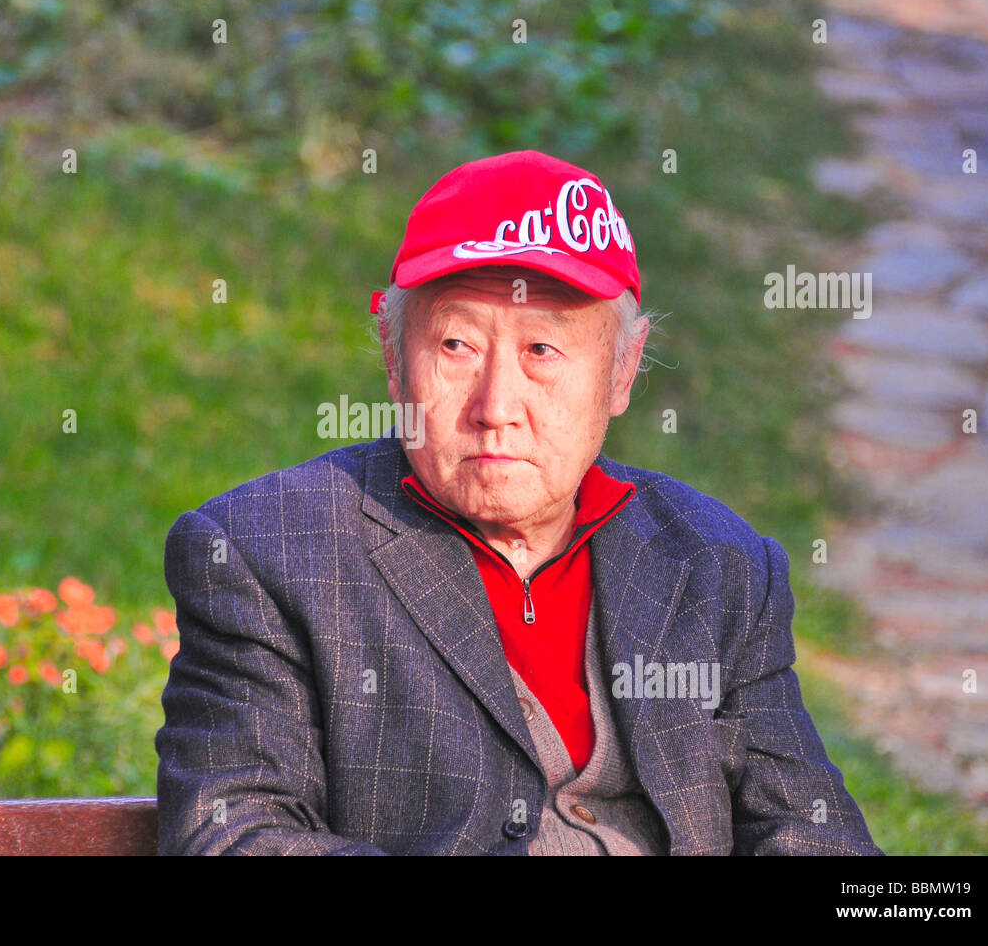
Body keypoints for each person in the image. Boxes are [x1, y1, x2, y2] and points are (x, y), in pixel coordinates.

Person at [154, 149, 882, 855]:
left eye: (543, 350)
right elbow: (235, 833)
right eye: (456, 345)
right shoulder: (265, 552)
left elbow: (813, 831)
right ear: (393, 359)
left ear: (622, 370)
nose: (497, 405)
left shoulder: (718, 564)